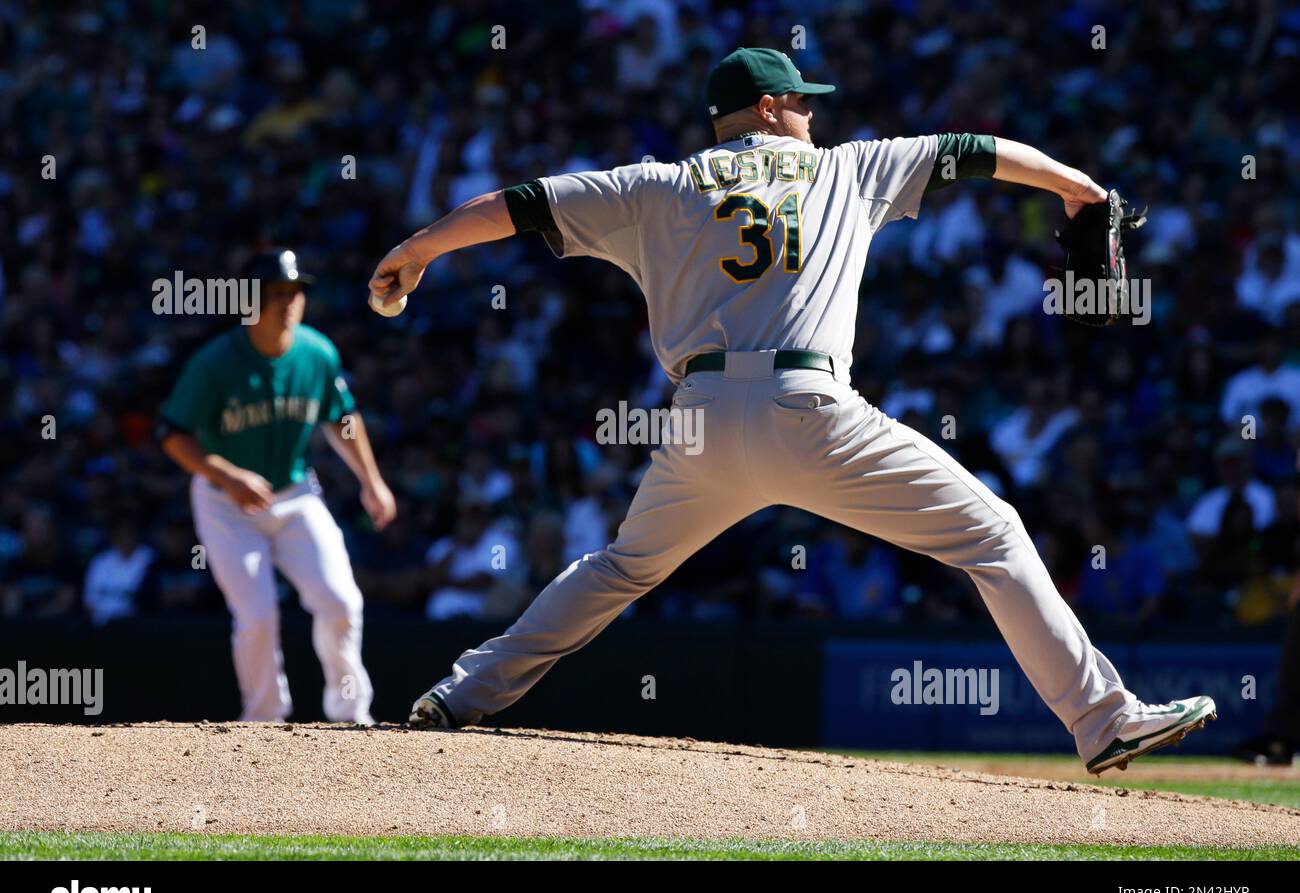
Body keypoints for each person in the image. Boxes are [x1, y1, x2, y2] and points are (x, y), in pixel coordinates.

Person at [370, 48, 1215, 774]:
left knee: (622, 569)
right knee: (991, 535)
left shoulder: (657, 184)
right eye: (803, 103)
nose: (813, 115)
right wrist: (1080, 187)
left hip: (699, 420)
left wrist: (416, 251)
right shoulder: (849, 168)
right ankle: (1104, 722)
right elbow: (980, 151)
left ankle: (462, 692)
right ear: (769, 109)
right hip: (810, 410)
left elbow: (515, 205)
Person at [159, 248, 394, 724]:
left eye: (294, 292)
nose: (287, 302)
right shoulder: (216, 362)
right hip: (226, 503)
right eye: (274, 293)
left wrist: (372, 481)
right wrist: (226, 474)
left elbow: (343, 420)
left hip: (295, 495)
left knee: (341, 601)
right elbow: (172, 434)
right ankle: (263, 721)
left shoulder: (317, 353)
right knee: (259, 615)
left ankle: (352, 715)